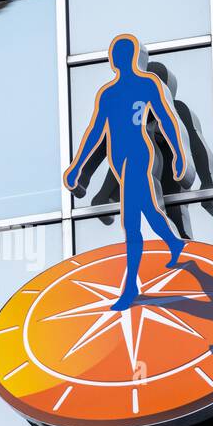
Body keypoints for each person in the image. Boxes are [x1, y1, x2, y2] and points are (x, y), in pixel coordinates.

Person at [65, 33, 188, 310]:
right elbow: (96, 131)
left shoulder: (147, 84)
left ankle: (130, 286)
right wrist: (77, 166)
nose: (117, 59)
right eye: (115, 55)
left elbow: (167, 118)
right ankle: (173, 242)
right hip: (119, 159)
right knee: (148, 209)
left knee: (131, 222)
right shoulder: (108, 94)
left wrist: (179, 154)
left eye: (122, 54)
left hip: (137, 155)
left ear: (131, 57)